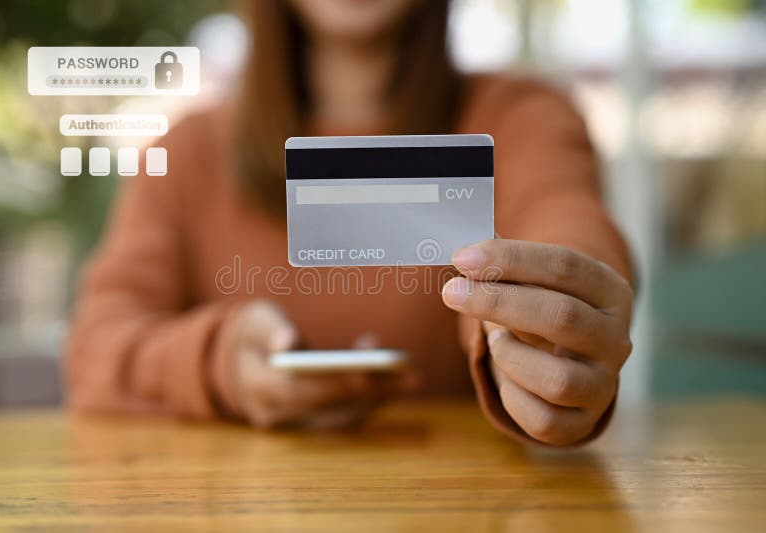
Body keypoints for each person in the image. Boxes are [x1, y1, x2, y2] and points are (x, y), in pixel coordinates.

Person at [65, 0, 633, 447]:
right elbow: (95, 350)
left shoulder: (523, 117)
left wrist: (541, 323)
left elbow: (568, 228)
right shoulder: (188, 151)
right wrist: (218, 364)